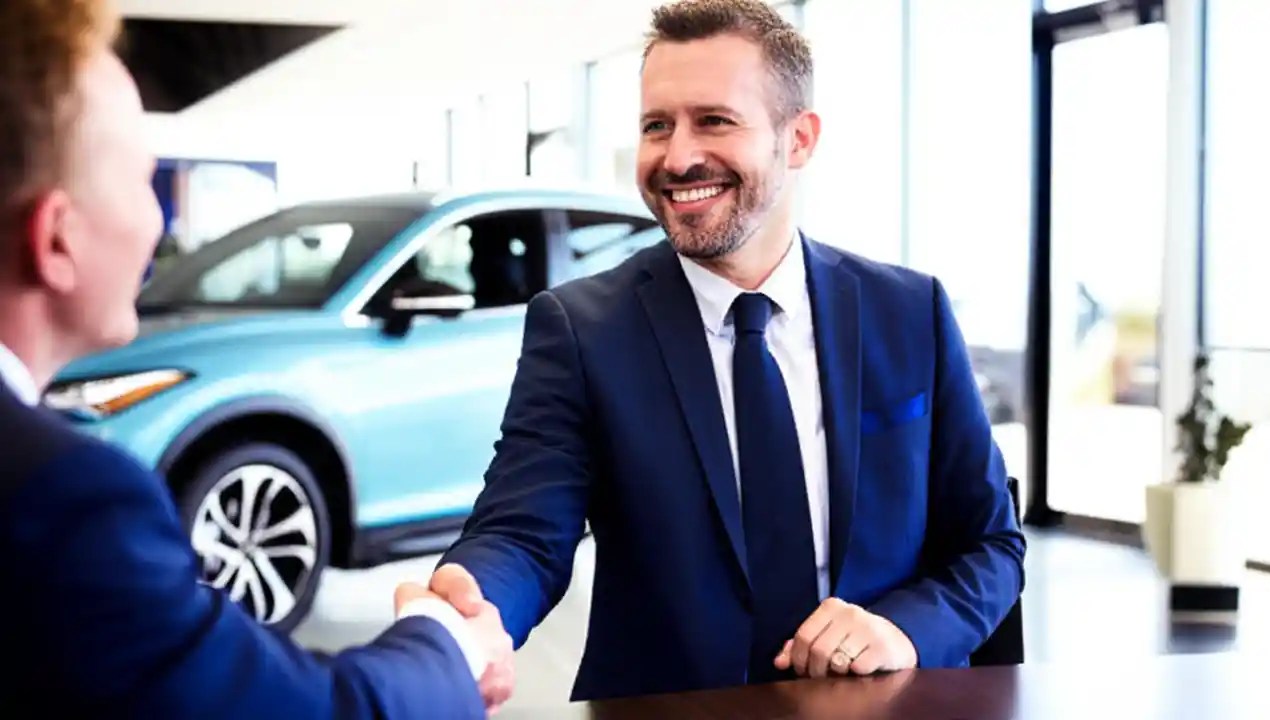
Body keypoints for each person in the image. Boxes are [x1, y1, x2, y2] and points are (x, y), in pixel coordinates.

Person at [430, 0, 1026, 703]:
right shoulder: (582, 328)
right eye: (657, 125)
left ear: (798, 140)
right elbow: (524, 533)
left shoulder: (909, 312)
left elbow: (989, 545)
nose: (677, 157)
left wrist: (903, 630)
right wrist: (471, 605)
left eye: (713, 120)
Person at [0, 1, 512, 716]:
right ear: (58, 239)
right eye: (142, 181)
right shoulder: (65, 499)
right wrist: (449, 646)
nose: (157, 222)